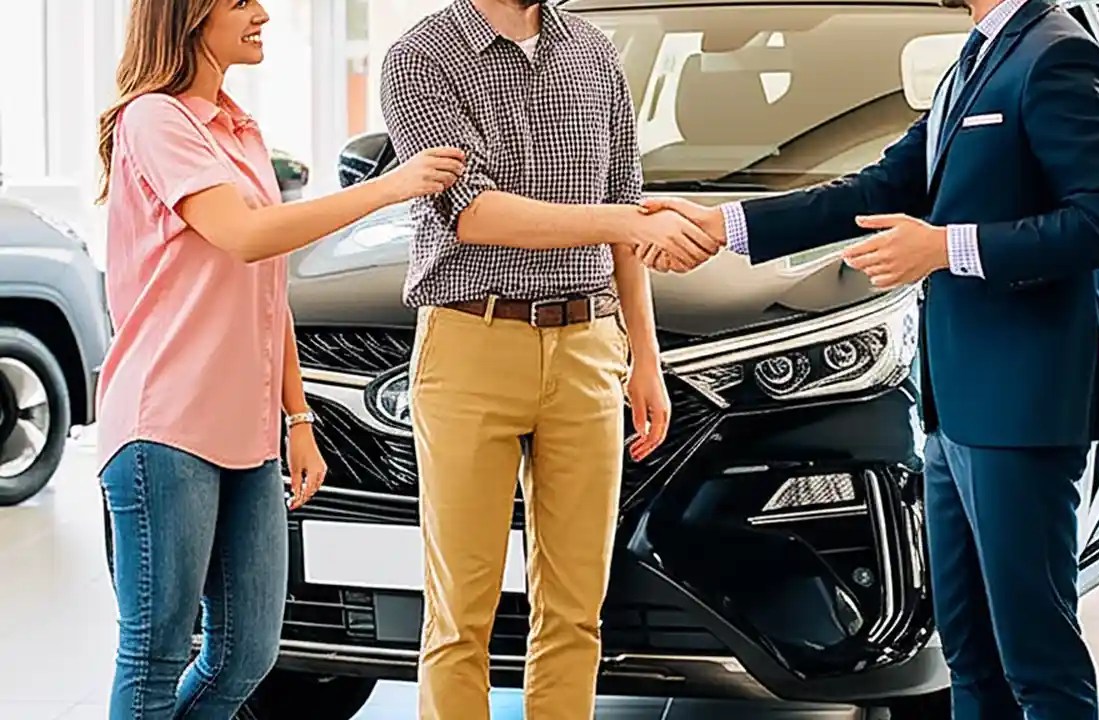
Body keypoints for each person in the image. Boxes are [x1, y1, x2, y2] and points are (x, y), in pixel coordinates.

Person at [643, 0, 1099, 718]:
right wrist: (725, 225)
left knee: (1036, 655)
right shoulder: (976, 60)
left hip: (1022, 408)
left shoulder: (1059, 54)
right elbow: (876, 191)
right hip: (953, 410)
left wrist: (946, 248)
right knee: (970, 655)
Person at [94, 1, 464, 717]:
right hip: (164, 426)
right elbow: (245, 235)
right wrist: (387, 188)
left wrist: (298, 418)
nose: (262, 13)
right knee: (156, 653)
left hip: (248, 433)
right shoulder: (154, 120)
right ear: (190, 15)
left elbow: (269, 292)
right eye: (240, 2)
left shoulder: (239, 128)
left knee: (249, 654)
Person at [377, 0, 719, 717]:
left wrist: (645, 359)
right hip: (471, 345)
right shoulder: (420, 56)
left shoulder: (594, 52)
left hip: (589, 346)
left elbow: (629, 210)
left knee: (574, 609)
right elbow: (472, 212)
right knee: (459, 614)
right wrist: (617, 221)